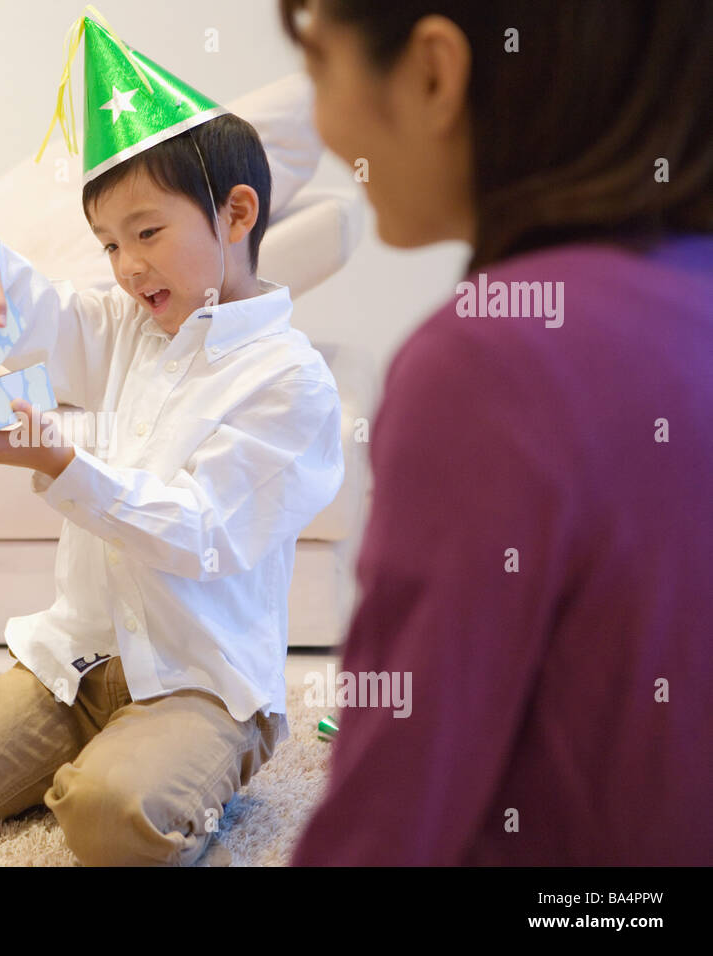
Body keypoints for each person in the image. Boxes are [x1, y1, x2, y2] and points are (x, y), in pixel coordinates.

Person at [0, 14, 344, 866]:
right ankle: (91, 755)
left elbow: (203, 532)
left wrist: (55, 461)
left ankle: (160, 762)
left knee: (111, 819)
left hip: (201, 684)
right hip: (71, 670)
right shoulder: (124, 324)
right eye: (110, 244)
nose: (128, 265)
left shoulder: (290, 382)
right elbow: (36, 310)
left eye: (147, 233)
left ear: (237, 212)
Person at [278, 0, 713, 864]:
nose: (325, 123)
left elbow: (391, 817)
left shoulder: (488, 366)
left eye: (320, 66)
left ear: (435, 71)